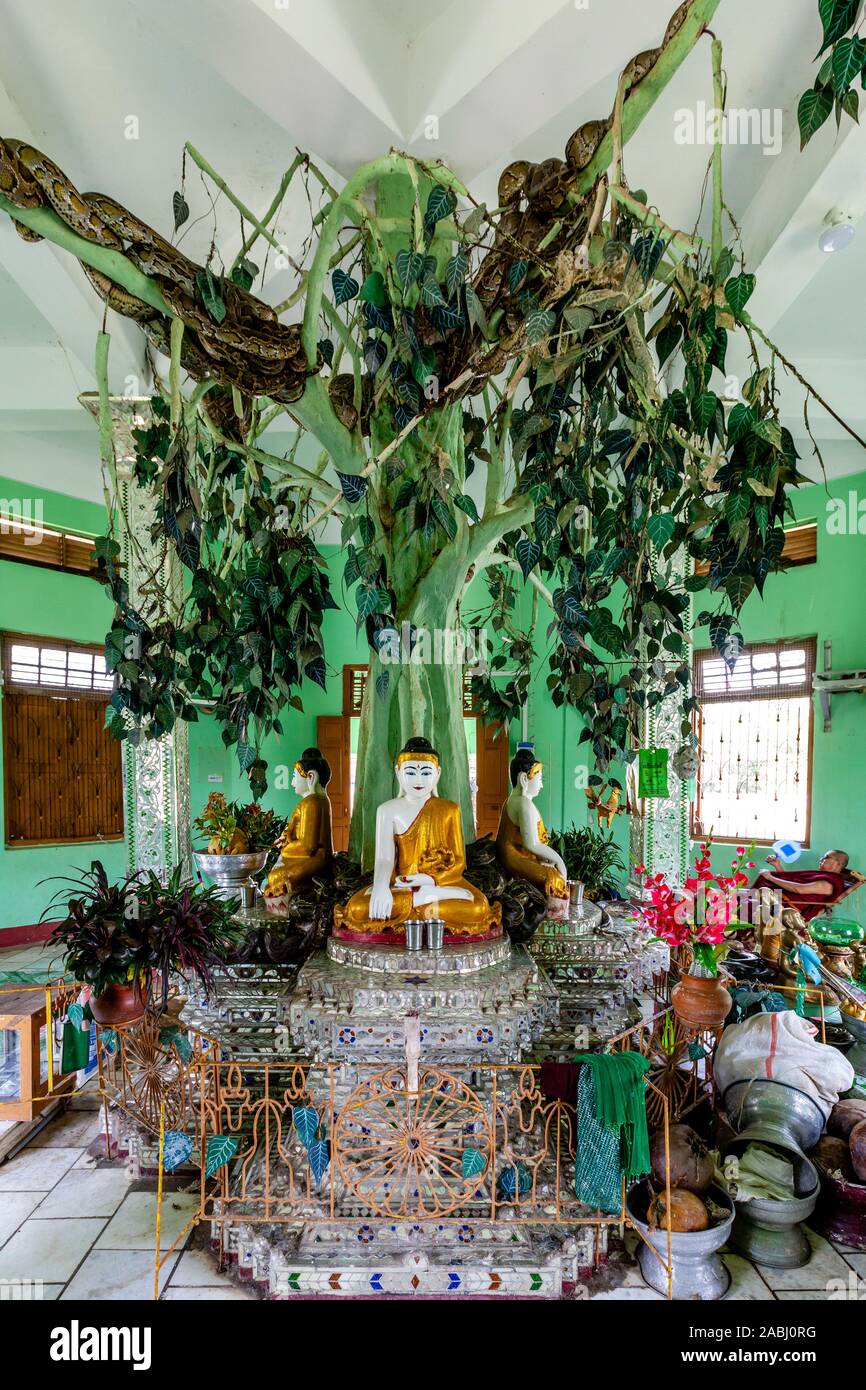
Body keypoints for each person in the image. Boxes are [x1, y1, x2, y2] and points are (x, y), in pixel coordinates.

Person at [334, 735, 500, 940]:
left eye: (426, 772)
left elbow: (458, 861)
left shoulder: (449, 809)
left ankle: (420, 901)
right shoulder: (387, 810)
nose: (418, 780)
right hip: (401, 884)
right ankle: (423, 902)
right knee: (357, 907)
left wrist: (428, 879)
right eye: (410, 772)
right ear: (398, 773)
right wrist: (380, 887)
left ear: (437, 774)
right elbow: (384, 858)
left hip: (443, 883)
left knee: (478, 906)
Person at [750, 849, 851, 924]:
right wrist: (777, 865)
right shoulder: (824, 876)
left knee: (748, 904)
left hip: (786, 909)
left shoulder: (829, 884)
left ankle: (741, 935)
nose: (821, 859)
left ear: (838, 864)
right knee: (745, 900)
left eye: (826, 857)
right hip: (780, 901)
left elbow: (798, 889)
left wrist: (770, 878)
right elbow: (791, 883)